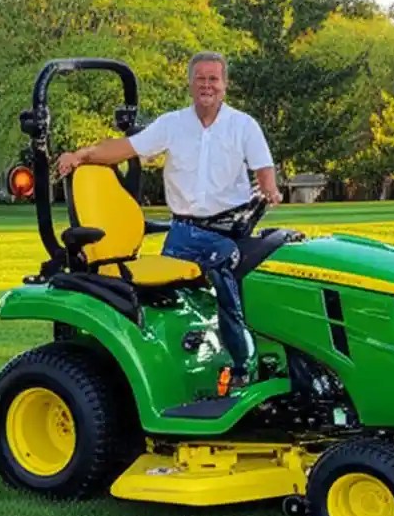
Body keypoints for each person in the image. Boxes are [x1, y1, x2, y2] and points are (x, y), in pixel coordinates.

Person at [56, 51, 282, 390]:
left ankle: (246, 353)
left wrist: (269, 189)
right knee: (224, 259)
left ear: (225, 85)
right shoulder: (172, 125)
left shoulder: (243, 126)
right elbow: (123, 149)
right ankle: (242, 365)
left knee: (268, 253)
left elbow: (264, 168)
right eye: (201, 78)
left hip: (230, 228)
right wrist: (81, 155)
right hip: (186, 233)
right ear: (190, 83)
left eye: (214, 79)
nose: (207, 85)